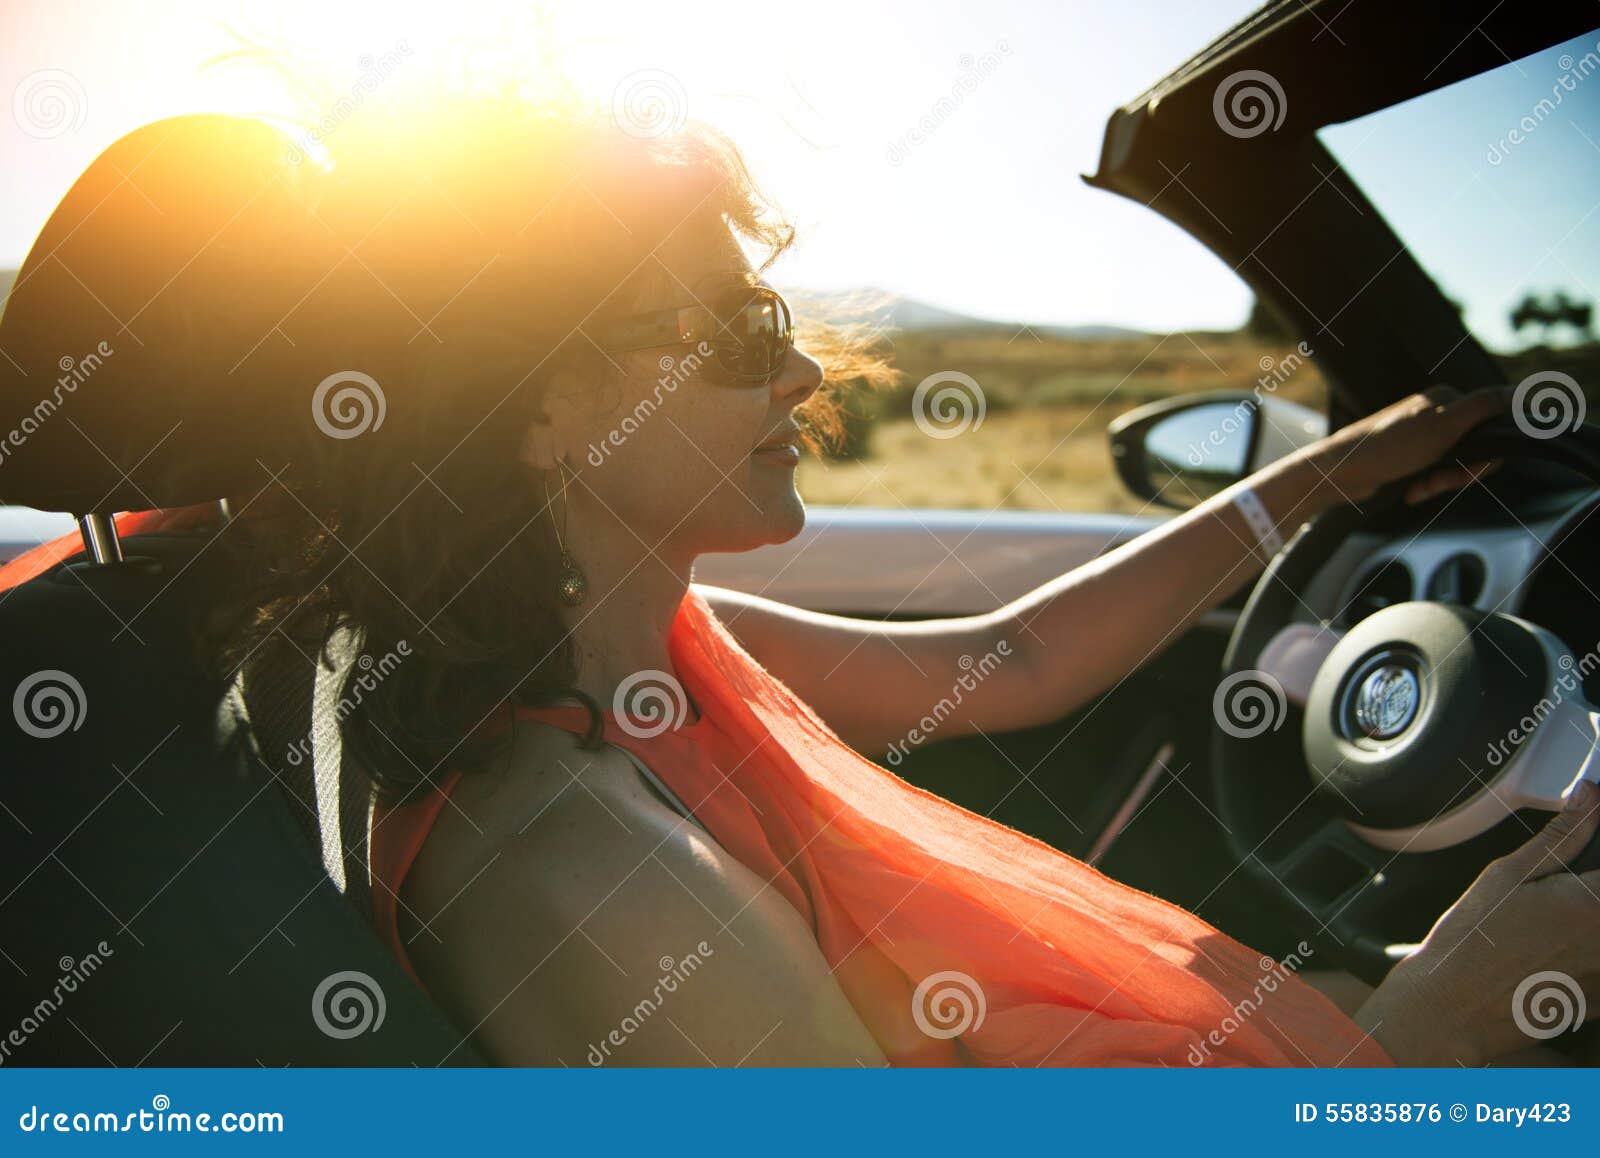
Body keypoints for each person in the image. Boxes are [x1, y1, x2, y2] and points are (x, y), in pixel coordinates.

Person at [2, 92, 1595, 1067]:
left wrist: (1313, 476)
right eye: (727, 330)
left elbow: (1012, 661)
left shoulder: (622, 657)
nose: (801, 373)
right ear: (541, 408)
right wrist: (1423, 1045)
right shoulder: (591, 884)